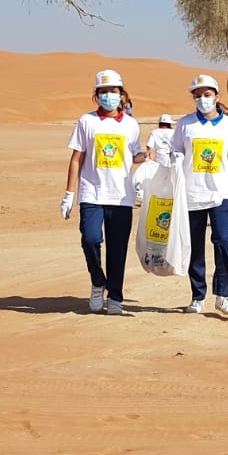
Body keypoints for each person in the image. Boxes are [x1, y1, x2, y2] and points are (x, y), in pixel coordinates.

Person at [62, 69, 145, 315]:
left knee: (117, 249)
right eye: (104, 91)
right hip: (92, 193)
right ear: (97, 95)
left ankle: (115, 296)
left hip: (121, 196)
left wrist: (150, 156)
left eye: (113, 91)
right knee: (90, 239)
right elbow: (77, 158)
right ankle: (98, 281)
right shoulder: (86, 121)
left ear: (122, 95)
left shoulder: (131, 125)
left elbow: (133, 156)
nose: (109, 95)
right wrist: (69, 193)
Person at [170, 74, 228, 315]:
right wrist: (174, 159)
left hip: (221, 193)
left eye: (207, 95)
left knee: (223, 239)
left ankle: (224, 295)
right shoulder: (185, 124)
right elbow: (175, 151)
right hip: (191, 194)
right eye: (197, 96)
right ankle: (198, 296)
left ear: (216, 96)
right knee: (195, 245)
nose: (202, 99)